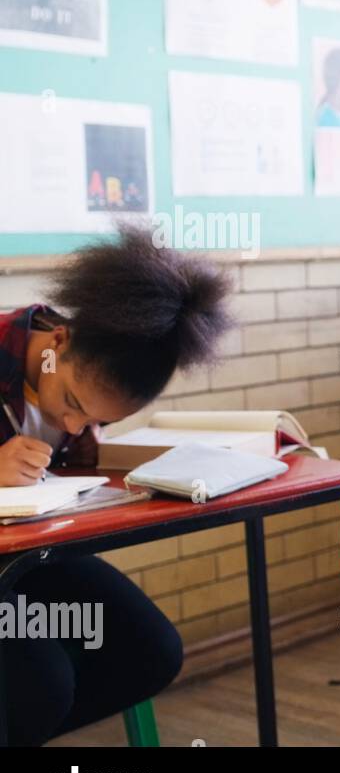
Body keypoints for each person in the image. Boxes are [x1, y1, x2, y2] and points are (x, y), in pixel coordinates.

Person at [1, 226, 233, 745]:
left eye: (96, 421)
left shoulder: (77, 389)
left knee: (150, 652)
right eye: (74, 406)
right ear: (58, 340)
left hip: (28, 556)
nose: (72, 427)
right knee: (40, 684)